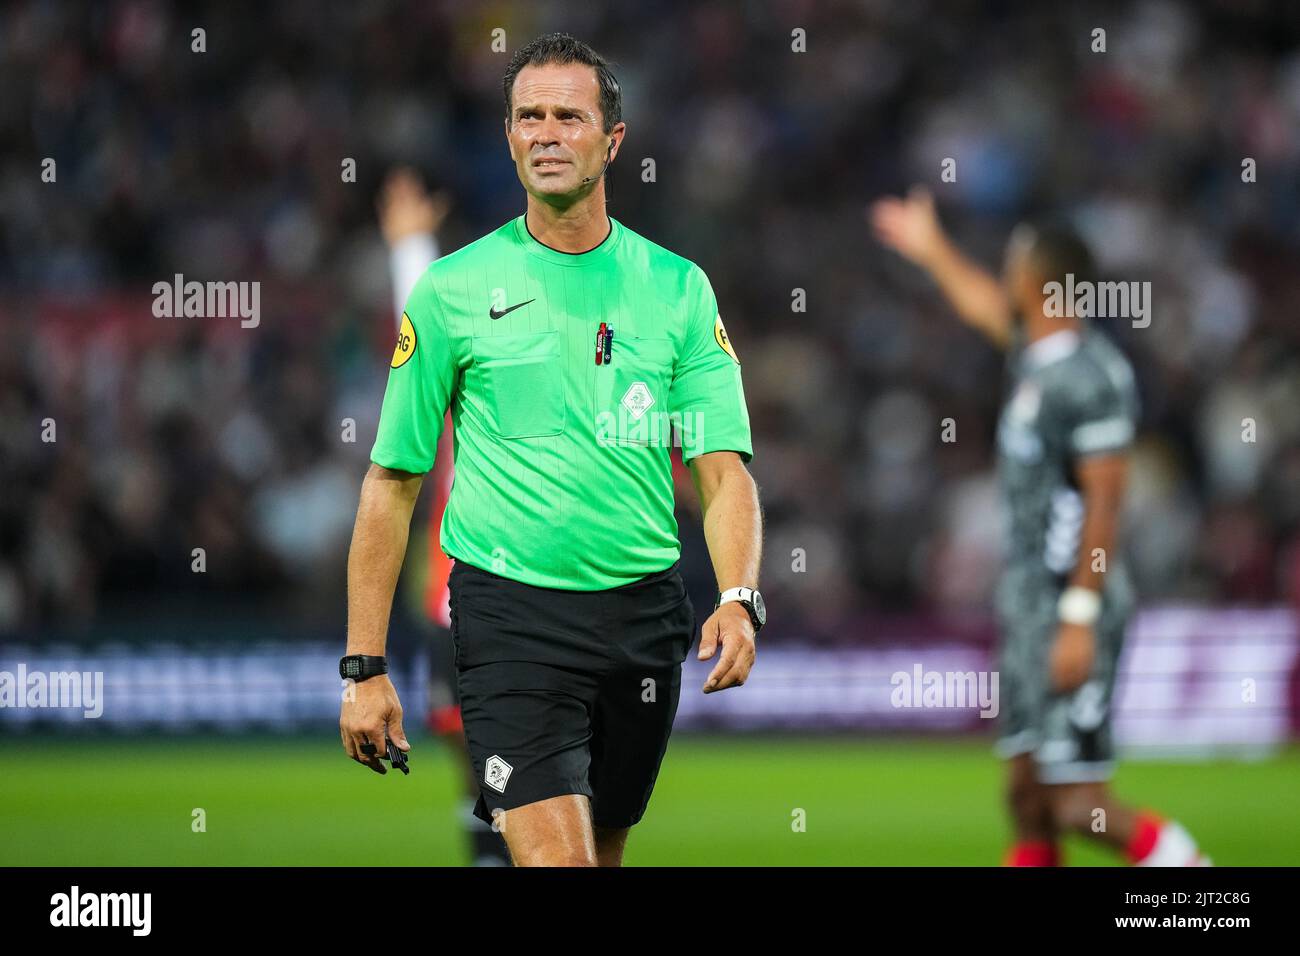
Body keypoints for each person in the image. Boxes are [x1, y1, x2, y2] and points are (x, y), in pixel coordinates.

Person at [341, 33, 765, 867]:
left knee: (600, 857)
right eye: (527, 116)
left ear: (612, 140)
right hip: (509, 618)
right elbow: (391, 483)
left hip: (645, 619)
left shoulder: (679, 288)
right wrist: (363, 665)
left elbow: (723, 471)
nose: (544, 132)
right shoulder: (451, 291)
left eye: (567, 116)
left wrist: (742, 592)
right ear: (507, 136)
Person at [871, 187, 1208, 866]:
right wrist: (934, 250)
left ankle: (1198, 887)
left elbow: (1106, 506)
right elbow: (982, 306)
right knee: (1027, 796)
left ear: (1041, 279)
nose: (1007, 269)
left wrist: (1080, 617)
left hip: (1072, 603)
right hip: (1028, 606)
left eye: (1017, 260)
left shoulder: (1093, 377)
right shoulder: (1036, 359)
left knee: (1076, 802)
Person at [376, 167, 509, 865]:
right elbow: (420, 331)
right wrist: (409, 249)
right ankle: (490, 848)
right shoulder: (460, 376)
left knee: (530, 744)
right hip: (456, 588)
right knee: (467, 741)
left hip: (539, 586)